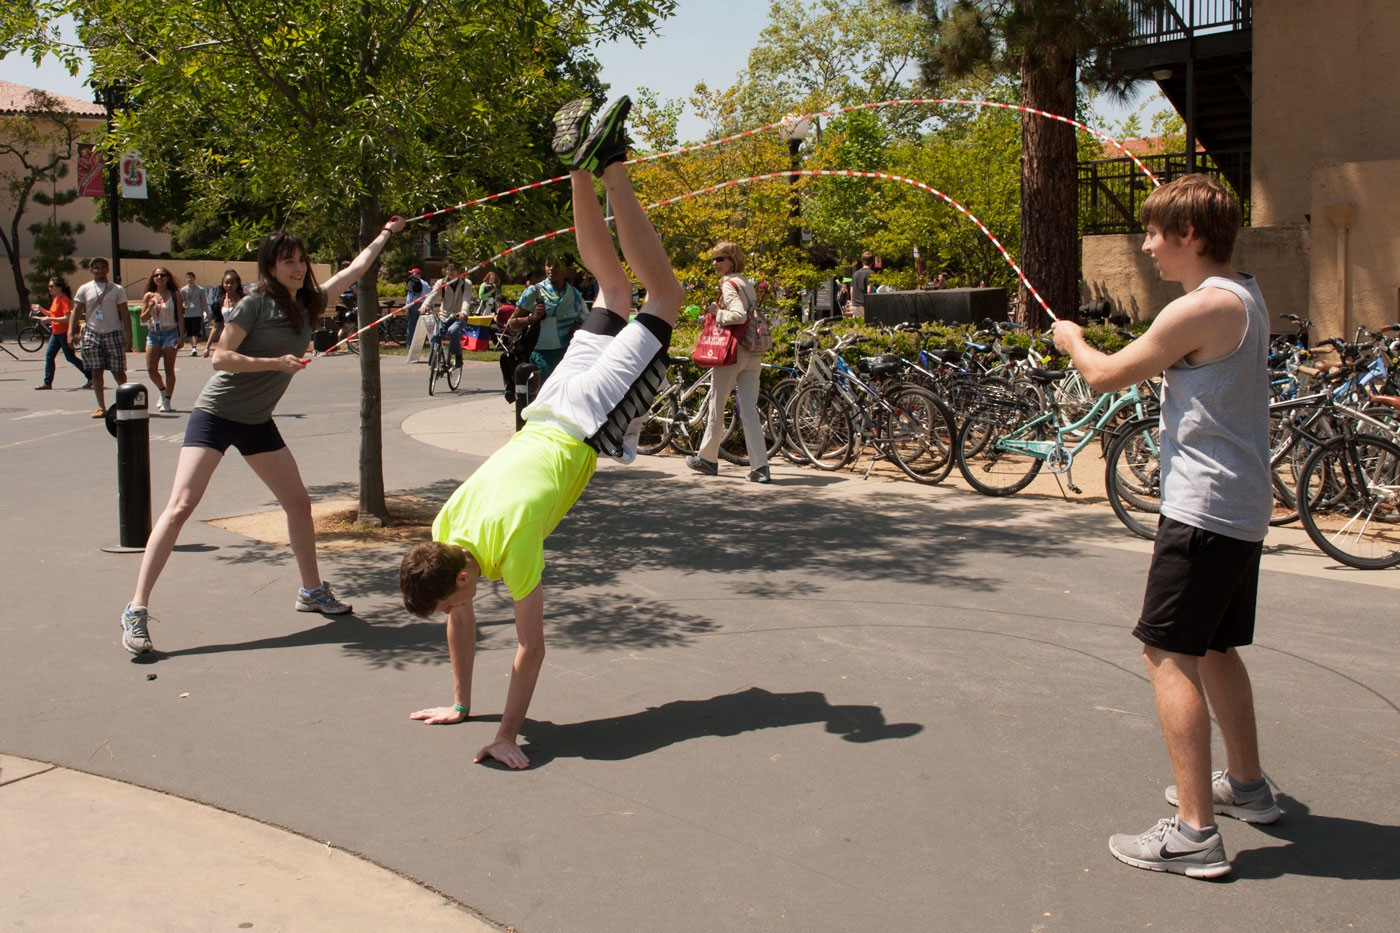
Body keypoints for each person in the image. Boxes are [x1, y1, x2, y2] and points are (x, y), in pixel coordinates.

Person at [398, 96, 681, 769]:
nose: (455, 611)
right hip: (546, 408)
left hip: (582, 418)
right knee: (611, 292)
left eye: (451, 600)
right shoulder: (446, 528)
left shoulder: (512, 548)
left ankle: (608, 162)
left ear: (461, 573)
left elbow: (532, 649)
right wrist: (463, 705)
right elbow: (462, 619)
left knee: (661, 298)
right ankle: (578, 166)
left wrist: (505, 735)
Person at [1050, 174, 1275, 880]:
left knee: (1167, 653)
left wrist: (1072, 338)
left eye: (1154, 233)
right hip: (1240, 506)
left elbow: (1105, 377)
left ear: (1189, 236)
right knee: (1212, 646)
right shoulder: (1241, 291)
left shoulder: (1200, 307)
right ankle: (1246, 785)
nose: (1145, 246)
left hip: (1205, 509)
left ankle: (1195, 834)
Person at [117, 216, 407, 657]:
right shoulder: (253, 303)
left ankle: (311, 591)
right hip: (215, 415)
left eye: (301, 260)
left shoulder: (310, 303)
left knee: (298, 503)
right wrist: (274, 364)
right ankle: (136, 609)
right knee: (180, 507)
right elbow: (220, 359)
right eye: (286, 260)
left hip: (257, 421)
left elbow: (355, 269)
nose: (296, 267)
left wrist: (386, 234)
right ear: (269, 266)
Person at [685, 241, 771, 483]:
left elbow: (738, 315)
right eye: (714, 259)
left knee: (717, 402)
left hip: (733, 353)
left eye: (720, 259)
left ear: (732, 260)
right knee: (749, 411)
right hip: (753, 352)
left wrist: (715, 312)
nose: (715, 263)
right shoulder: (746, 282)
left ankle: (708, 459)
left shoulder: (729, 284)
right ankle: (760, 467)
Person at [69, 256, 133, 418]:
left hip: (114, 332)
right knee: (96, 371)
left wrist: (129, 335)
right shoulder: (85, 288)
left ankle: (128, 401)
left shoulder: (117, 289)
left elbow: (124, 313)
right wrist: (71, 332)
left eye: (102, 267)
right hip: (92, 332)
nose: (99, 270)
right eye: (96, 267)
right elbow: (76, 311)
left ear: (107, 269)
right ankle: (101, 406)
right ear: (91, 270)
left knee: (118, 371)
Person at [517, 255, 587, 382]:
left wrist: (578, 328)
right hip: (540, 357)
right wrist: (531, 319)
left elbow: (586, 322)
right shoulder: (534, 291)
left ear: (567, 269)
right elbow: (510, 324)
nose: (551, 269)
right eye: (548, 264)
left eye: (557, 265)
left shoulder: (575, 295)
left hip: (567, 358)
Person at [140, 266, 186, 412]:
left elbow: (180, 317)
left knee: (169, 369)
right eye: (156, 275)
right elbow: (142, 318)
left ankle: (167, 400)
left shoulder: (175, 295)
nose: (159, 277)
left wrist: (181, 337)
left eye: (163, 275)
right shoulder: (149, 296)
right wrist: (150, 308)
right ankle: (162, 390)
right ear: (153, 278)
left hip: (170, 333)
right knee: (151, 369)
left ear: (168, 278)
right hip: (154, 333)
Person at [33, 276, 90, 391]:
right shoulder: (56, 299)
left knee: (70, 357)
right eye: (49, 286)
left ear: (59, 287)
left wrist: (50, 320)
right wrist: (41, 310)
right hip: (56, 332)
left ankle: (91, 375)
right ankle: (47, 383)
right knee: (49, 355)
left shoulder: (64, 299)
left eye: (51, 286)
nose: (49, 288)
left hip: (64, 332)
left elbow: (67, 318)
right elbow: (53, 314)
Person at [206, 269, 241, 357]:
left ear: (237, 284)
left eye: (232, 283)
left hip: (242, 338)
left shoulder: (244, 300)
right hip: (226, 338)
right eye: (226, 283)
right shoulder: (219, 303)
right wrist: (207, 347)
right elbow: (216, 326)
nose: (229, 285)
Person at [180, 272, 209, 357]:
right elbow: (181, 301)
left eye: (191, 277)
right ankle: (192, 346)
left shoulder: (200, 289)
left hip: (197, 313)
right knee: (189, 332)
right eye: (188, 277)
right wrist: (183, 306)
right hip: (187, 313)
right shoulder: (183, 290)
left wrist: (206, 312)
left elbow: (204, 301)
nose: (189, 279)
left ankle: (194, 347)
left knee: (195, 331)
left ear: (194, 278)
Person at [850, 251, 874, 317]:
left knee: (857, 326)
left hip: (855, 306)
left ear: (862, 261)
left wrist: (852, 303)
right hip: (864, 305)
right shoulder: (871, 273)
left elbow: (851, 290)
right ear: (872, 262)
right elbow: (869, 291)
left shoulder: (855, 274)